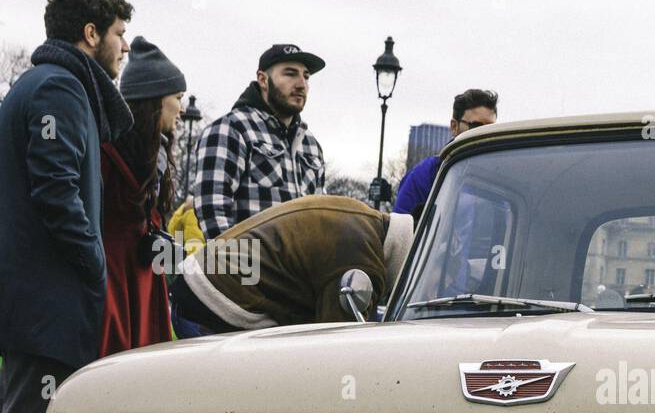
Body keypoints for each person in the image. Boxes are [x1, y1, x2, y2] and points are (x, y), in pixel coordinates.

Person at [0, 0, 134, 413]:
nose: (125, 47)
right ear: (90, 32)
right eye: (120, 34)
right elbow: (56, 192)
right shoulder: (60, 87)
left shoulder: (42, 83)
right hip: (45, 301)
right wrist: (95, 261)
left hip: (35, 297)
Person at [172, 195, 413, 330]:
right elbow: (336, 344)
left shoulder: (363, 221)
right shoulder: (364, 261)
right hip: (219, 296)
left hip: (202, 279)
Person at [98, 36, 186, 358]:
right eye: (177, 97)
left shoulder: (155, 152)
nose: (183, 107)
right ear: (154, 100)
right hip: (114, 281)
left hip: (144, 277)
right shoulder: (107, 151)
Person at [192, 43, 326, 240]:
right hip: (250, 267)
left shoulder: (311, 145)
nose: (301, 84)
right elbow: (212, 212)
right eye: (290, 74)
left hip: (303, 269)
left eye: (306, 76)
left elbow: (321, 217)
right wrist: (239, 268)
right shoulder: (231, 128)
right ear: (263, 79)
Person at [393, 88, 498, 223]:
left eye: (490, 128)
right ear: (454, 126)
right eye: (476, 126)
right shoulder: (425, 175)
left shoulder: (501, 177)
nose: (483, 133)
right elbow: (401, 232)